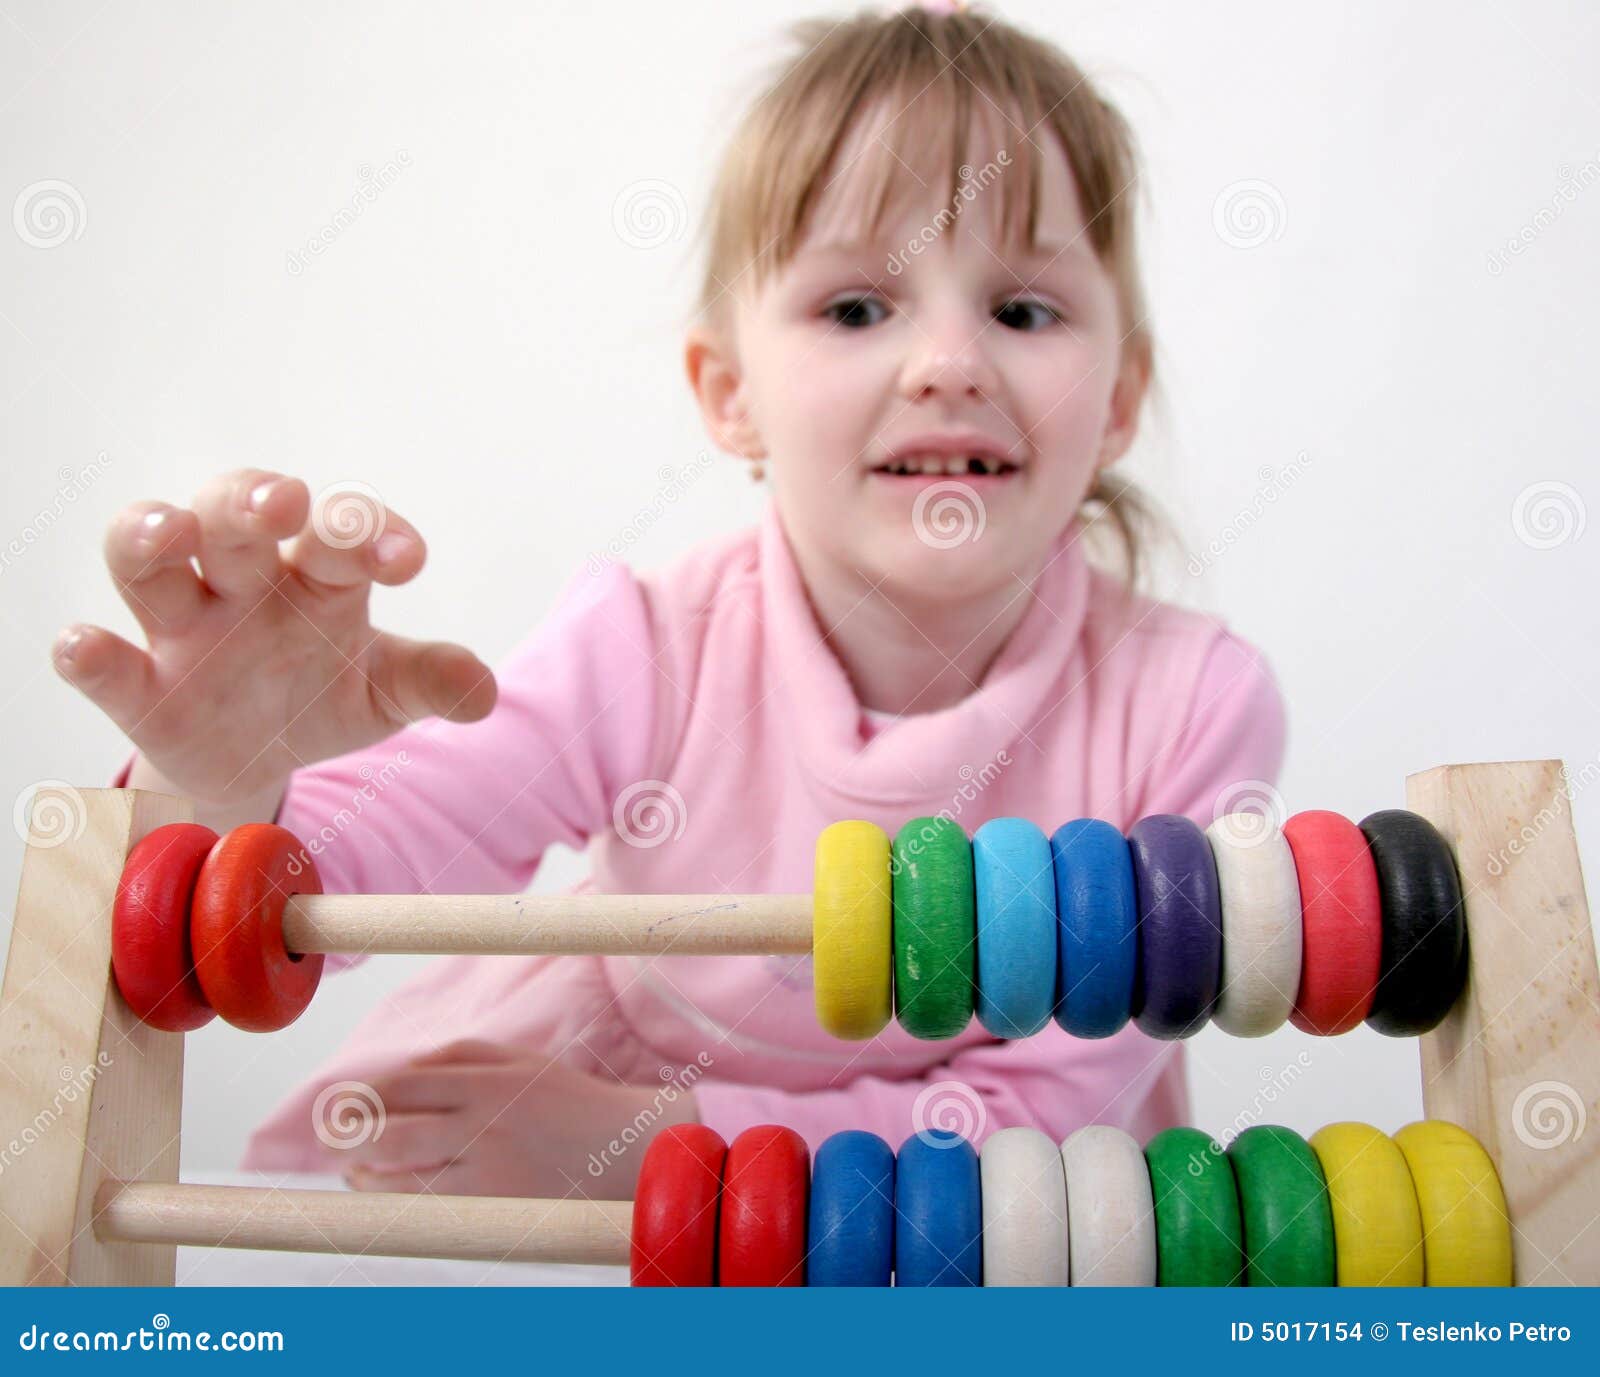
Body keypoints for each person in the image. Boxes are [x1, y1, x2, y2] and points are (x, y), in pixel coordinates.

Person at [56, 3, 1286, 1203]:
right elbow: (353, 870)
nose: (949, 362)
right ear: (727, 392)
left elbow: (1049, 1110)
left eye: (1022, 310)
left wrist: (657, 1150)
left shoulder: (1187, 705)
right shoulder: (648, 647)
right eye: (857, 308)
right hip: (551, 1144)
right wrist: (232, 783)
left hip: (936, 1221)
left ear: (1119, 397)